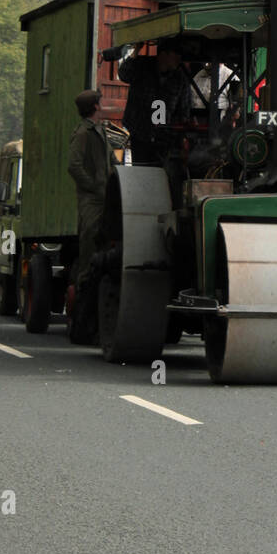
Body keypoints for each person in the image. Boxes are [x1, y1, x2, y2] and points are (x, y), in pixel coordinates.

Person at [67, 88, 112, 342]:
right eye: (100, 102)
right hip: (92, 202)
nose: (103, 104)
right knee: (88, 260)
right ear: (95, 106)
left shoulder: (100, 130)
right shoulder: (84, 133)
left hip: (103, 199)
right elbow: (73, 166)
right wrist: (94, 187)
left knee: (99, 257)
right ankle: (81, 328)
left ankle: (92, 325)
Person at [117, 41, 190, 162]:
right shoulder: (143, 66)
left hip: (164, 138)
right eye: (175, 54)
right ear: (163, 54)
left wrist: (180, 137)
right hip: (139, 132)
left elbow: (184, 110)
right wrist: (135, 51)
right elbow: (123, 74)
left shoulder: (179, 78)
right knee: (141, 169)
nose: (179, 58)